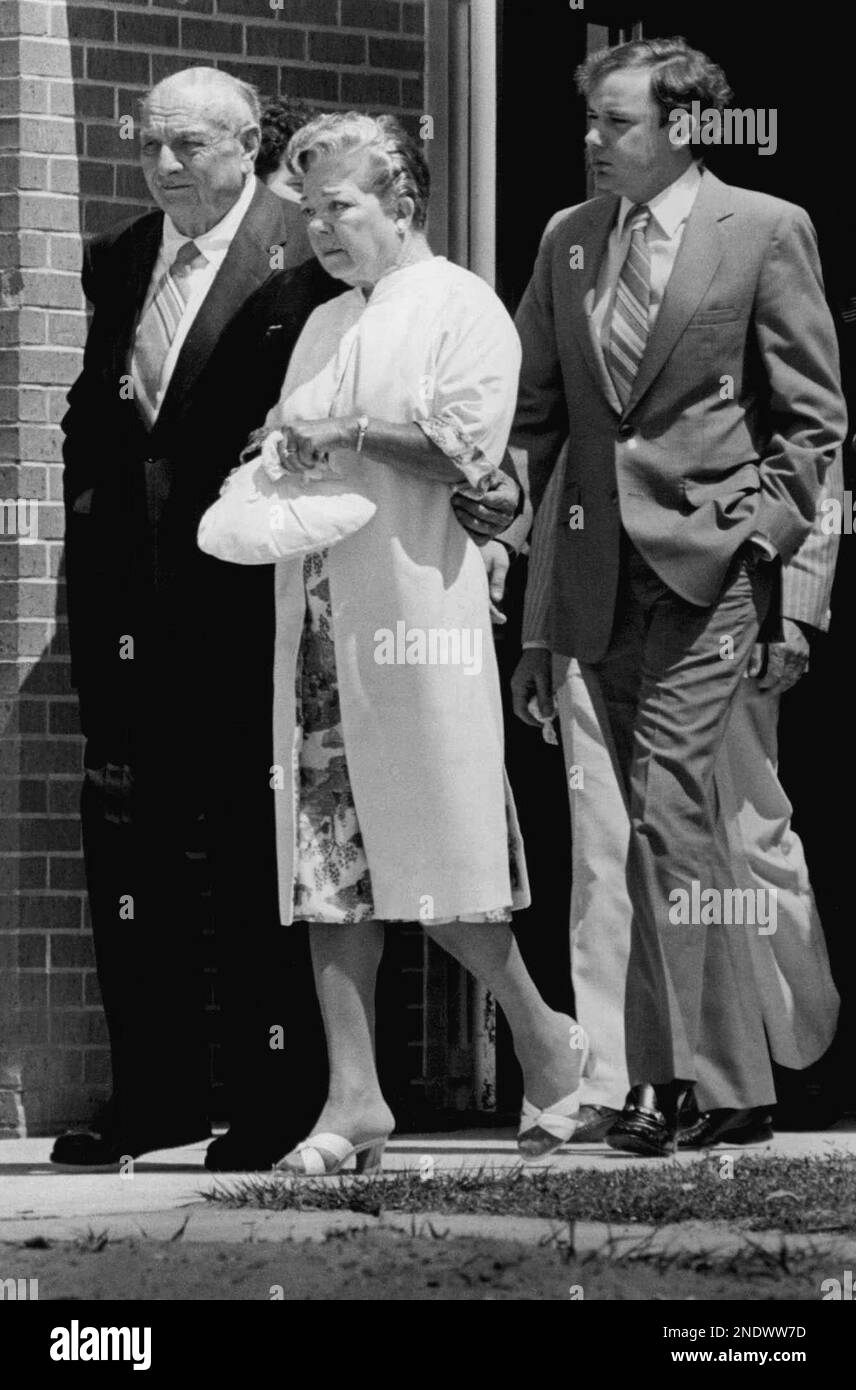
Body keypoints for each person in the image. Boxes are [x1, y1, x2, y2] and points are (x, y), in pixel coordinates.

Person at [224, 111, 587, 1174]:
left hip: (418, 614)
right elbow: (301, 439)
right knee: (326, 866)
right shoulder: (327, 322)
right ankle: (353, 1099)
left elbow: (474, 459)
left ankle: (543, 1038)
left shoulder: (462, 308)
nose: (324, 231)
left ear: (403, 204)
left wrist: (343, 434)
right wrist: (274, 460)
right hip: (321, 624)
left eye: (342, 208)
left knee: (439, 854)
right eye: (313, 213)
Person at [509, 36, 847, 1156]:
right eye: (592, 123)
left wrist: (763, 540)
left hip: (711, 576)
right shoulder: (566, 242)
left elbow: (812, 419)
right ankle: (718, 1082)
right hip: (596, 579)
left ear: (687, 124)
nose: (594, 142)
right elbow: (536, 421)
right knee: (650, 832)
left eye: (617, 123)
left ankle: (671, 1080)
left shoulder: (762, 228)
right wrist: (500, 517)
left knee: (666, 814)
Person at [54, 67, 342, 1173]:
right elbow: (99, 406)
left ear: (247, 145)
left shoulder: (301, 253)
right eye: (151, 146)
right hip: (130, 604)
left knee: (247, 846)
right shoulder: (124, 255)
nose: (167, 165)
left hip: (247, 598)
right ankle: (155, 1094)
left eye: (190, 146)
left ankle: (274, 1099)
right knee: (130, 842)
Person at [519, 443, 843, 1141]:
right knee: (608, 850)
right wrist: (544, 624)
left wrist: (796, 602)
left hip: (724, 596)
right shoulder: (570, 328)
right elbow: (557, 463)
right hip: (598, 602)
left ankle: (797, 1047)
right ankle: (622, 1076)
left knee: (749, 837)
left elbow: (808, 443)